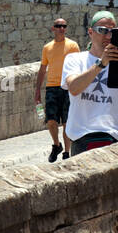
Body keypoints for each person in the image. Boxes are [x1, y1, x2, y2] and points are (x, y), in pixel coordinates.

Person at [61, 10, 118, 156]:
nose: (108, 36)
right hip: (83, 138)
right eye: (102, 30)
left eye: (112, 31)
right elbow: (74, 88)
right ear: (90, 32)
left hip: (116, 140)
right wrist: (101, 63)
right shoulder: (75, 59)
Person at [34, 17, 79, 161]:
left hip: (67, 86)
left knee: (66, 121)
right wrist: (37, 91)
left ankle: (66, 152)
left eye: (64, 26)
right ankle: (56, 144)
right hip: (52, 87)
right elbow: (42, 69)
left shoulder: (73, 46)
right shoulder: (47, 48)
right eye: (58, 26)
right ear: (53, 28)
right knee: (51, 120)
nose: (61, 28)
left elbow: (78, 66)